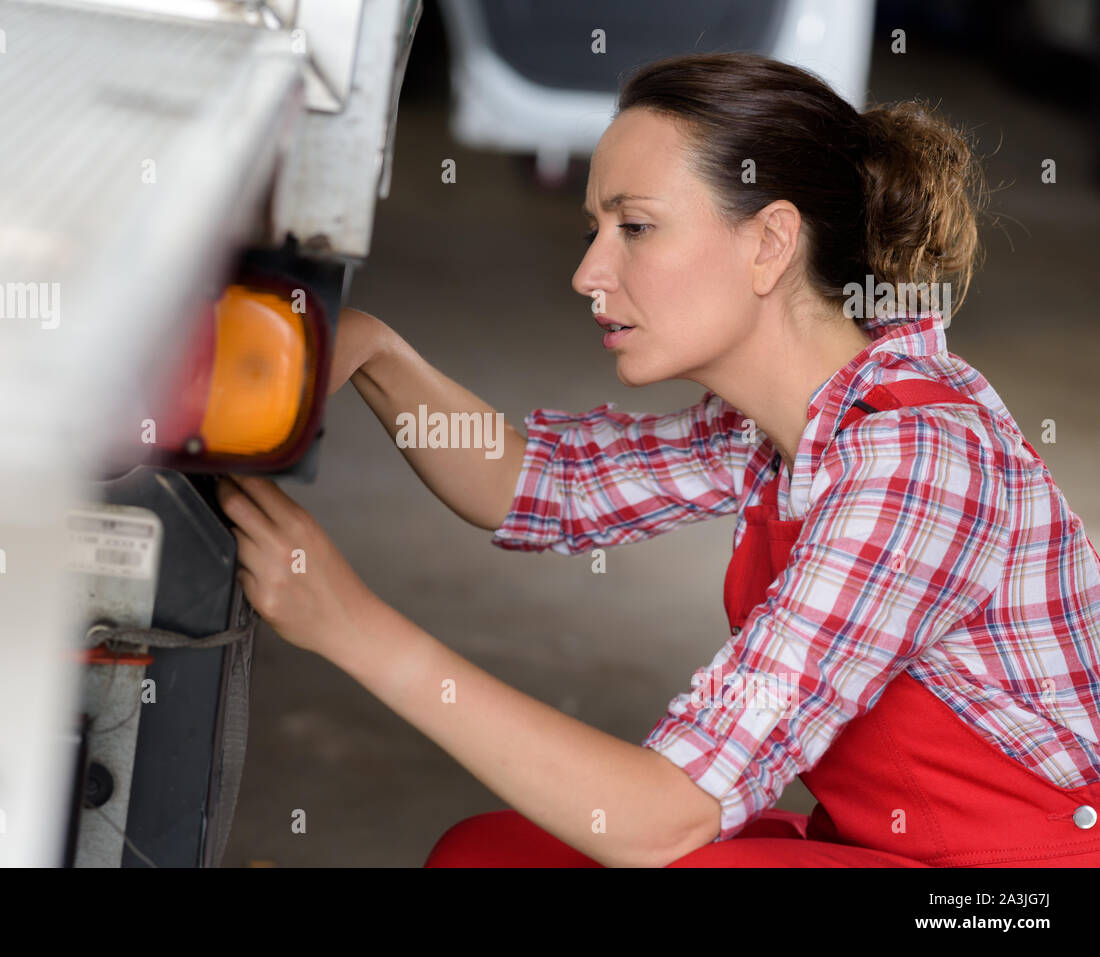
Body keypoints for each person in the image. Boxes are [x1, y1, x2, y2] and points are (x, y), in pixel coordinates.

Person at [216, 52, 1100, 867]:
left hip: (1009, 895)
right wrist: (371, 350)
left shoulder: (917, 464)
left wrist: (351, 626)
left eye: (635, 227)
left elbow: (666, 812)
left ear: (770, 242)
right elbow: (544, 485)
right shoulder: (803, 409)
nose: (589, 271)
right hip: (895, 851)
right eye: (595, 227)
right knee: (490, 856)